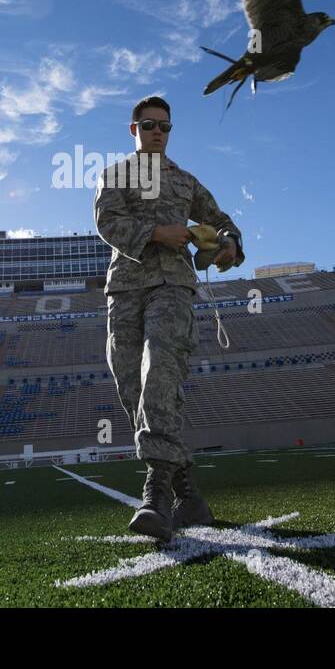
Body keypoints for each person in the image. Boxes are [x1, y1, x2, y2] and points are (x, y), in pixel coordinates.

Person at [93, 96, 244, 541]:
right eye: (148, 124)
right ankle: (189, 494)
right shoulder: (116, 175)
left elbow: (222, 221)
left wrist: (230, 244)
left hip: (173, 285)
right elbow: (107, 221)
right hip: (125, 288)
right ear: (133, 129)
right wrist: (158, 233)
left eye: (164, 125)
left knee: (159, 368)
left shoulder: (185, 181)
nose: (157, 131)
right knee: (131, 385)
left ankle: (156, 494)